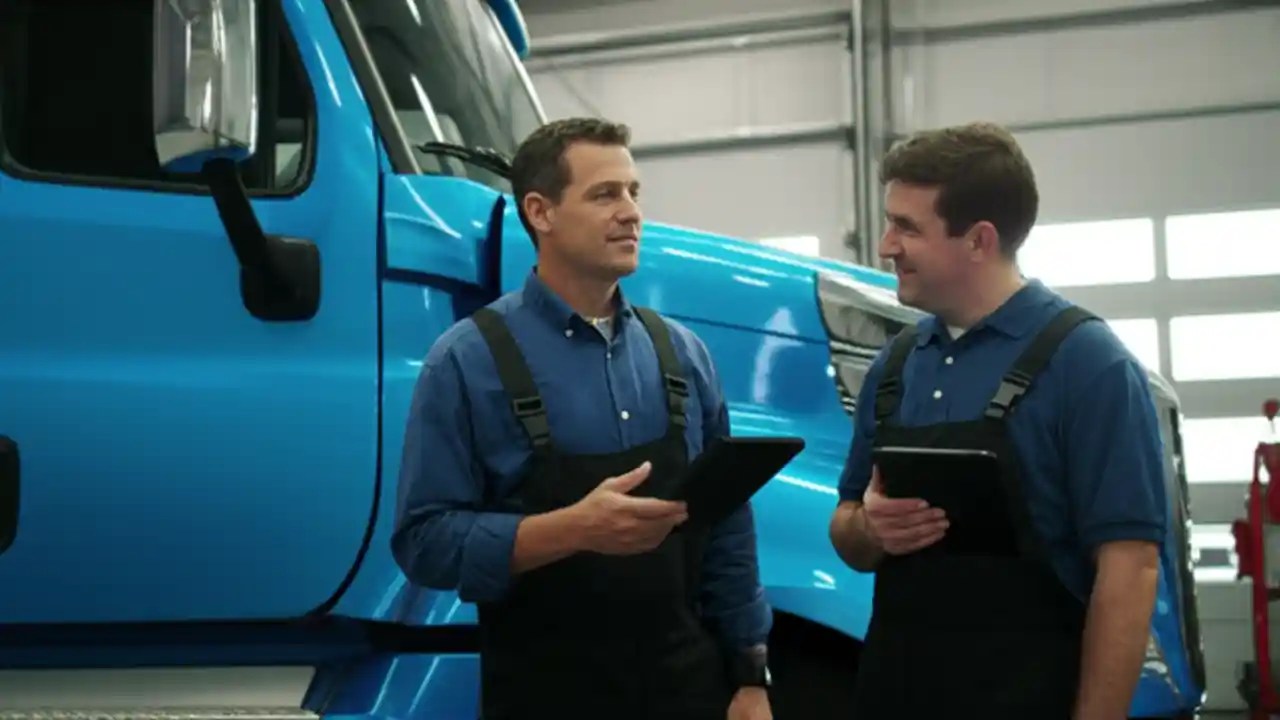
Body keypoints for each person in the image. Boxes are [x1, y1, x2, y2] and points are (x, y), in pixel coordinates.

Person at [391, 117, 774, 720]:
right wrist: (573, 529)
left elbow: (726, 527)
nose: (630, 213)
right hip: (544, 697)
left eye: (633, 192)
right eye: (605, 195)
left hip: (688, 693)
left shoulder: (682, 355)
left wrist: (752, 676)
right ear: (540, 212)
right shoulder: (467, 362)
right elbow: (424, 543)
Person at [827, 122, 1167, 719]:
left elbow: (1130, 567)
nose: (885, 246)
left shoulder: (1089, 364)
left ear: (979, 240)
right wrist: (870, 531)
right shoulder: (896, 364)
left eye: (907, 227)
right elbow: (847, 526)